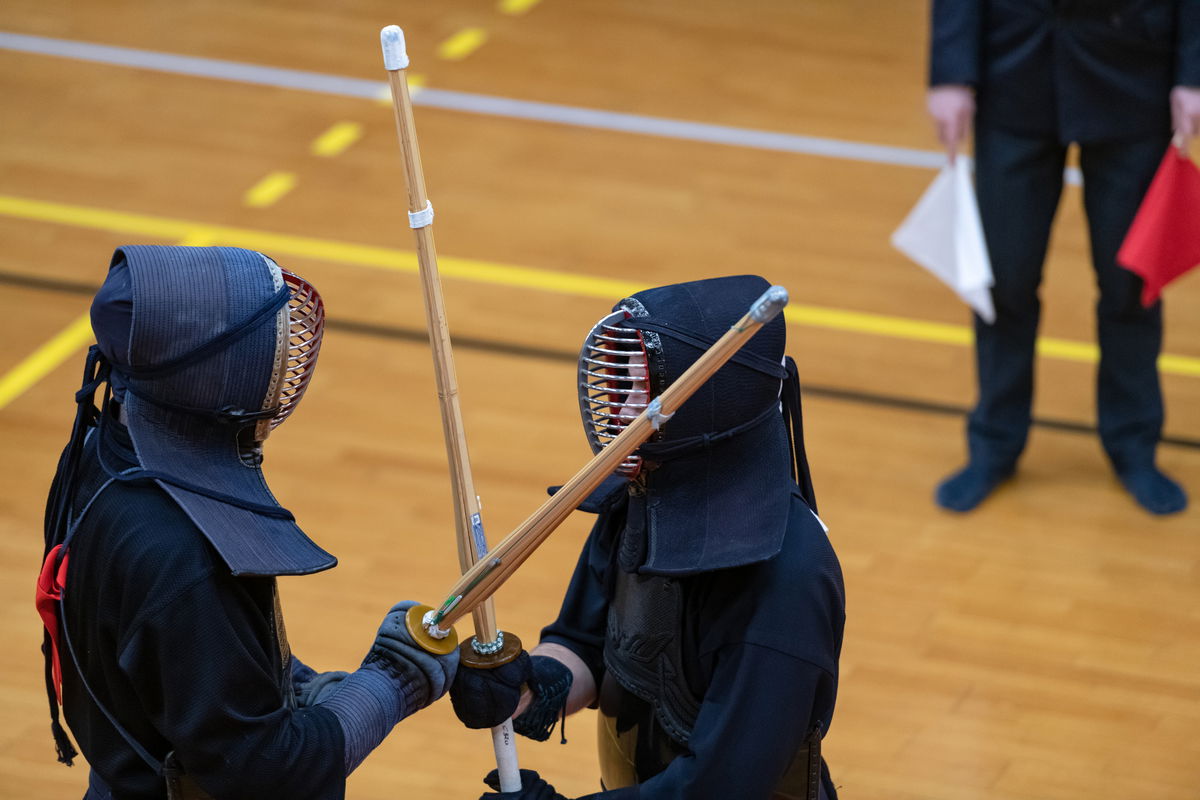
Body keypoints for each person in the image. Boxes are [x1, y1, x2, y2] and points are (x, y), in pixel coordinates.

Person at [36, 245, 458, 799]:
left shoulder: (98, 451)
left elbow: (182, 660)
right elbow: (272, 772)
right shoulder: (185, 555)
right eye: (267, 354)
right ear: (208, 382)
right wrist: (392, 682)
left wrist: (297, 688)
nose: (284, 369)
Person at [448, 276, 845, 800]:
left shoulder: (787, 582)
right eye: (619, 384)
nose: (618, 410)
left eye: (642, 387)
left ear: (710, 402)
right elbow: (585, 644)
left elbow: (721, 788)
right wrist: (528, 687)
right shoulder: (643, 491)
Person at [927, 0, 1200, 514]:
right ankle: (995, 444)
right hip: (1014, 69)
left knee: (1131, 285)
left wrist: (1194, 71)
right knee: (1002, 283)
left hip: (1135, 72)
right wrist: (950, 73)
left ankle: (1134, 445)